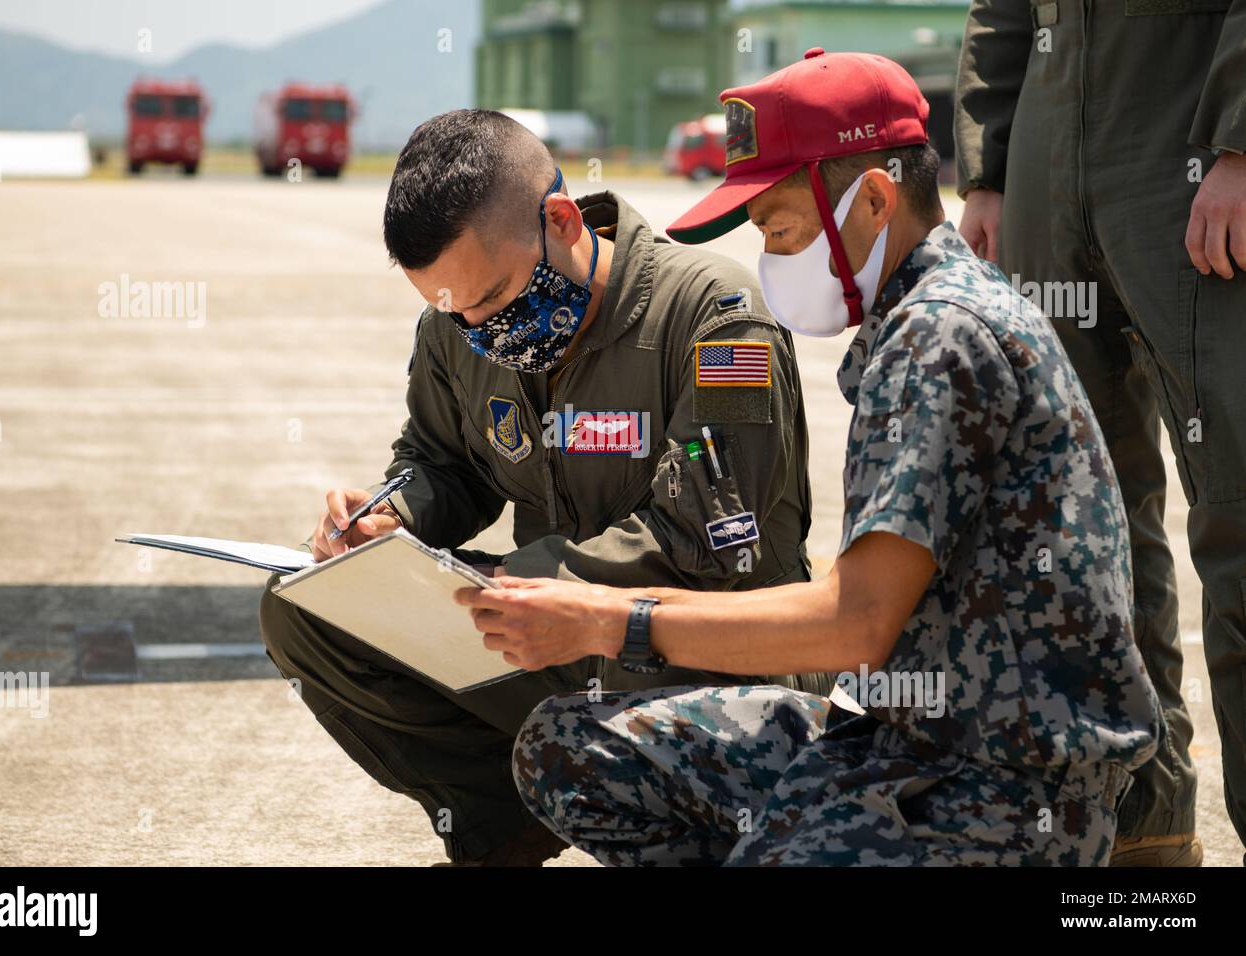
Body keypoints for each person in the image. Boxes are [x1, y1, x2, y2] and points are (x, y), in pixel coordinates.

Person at [458, 51, 1163, 865]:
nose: (769, 256)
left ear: (873, 200)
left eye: (779, 228)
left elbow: (853, 623)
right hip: (900, 740)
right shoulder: (921, 318)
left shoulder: (941, 337)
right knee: (569, 751)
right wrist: (599, 613)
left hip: (998, 787)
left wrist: (609, 622)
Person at [258, 109, 831, 866]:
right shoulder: (456, 329)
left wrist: (517, 582)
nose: (481, 331)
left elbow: (710, 540)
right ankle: (500, 828)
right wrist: (387, 515)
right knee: (305, 607)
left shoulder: (719, 320)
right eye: (454, 310)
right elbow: (442, 463)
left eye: (495, 298)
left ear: (561, 219)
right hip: (551, 637)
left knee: (558, 697)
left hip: (705, 652)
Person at [955, 0, 1246, 865]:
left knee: (1237, 506)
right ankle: (1143, 816)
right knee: (1077, 516)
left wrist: (1241, 142)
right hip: (1047, 153)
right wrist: (990, 169)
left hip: (1189, 139)